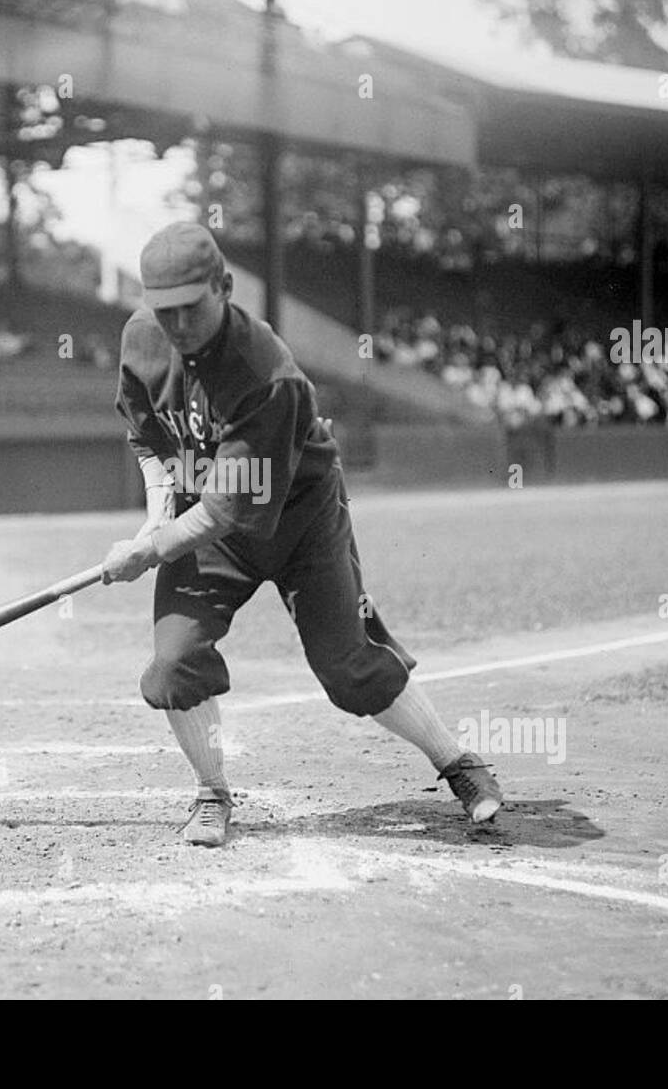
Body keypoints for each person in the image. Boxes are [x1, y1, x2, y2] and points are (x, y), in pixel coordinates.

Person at [99, 223, 503, 847]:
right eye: (163, 311)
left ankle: (458, 763)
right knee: (175, 660)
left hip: (300, 518)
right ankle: (212, 793)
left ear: (226, 288)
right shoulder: (142, 339)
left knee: (347, 669)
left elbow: (227, 511)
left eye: (191, 309)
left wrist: (151, 548)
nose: (176, 326)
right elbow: (147, 439)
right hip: (199, 520)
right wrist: (155, 518)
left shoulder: (266, 375)